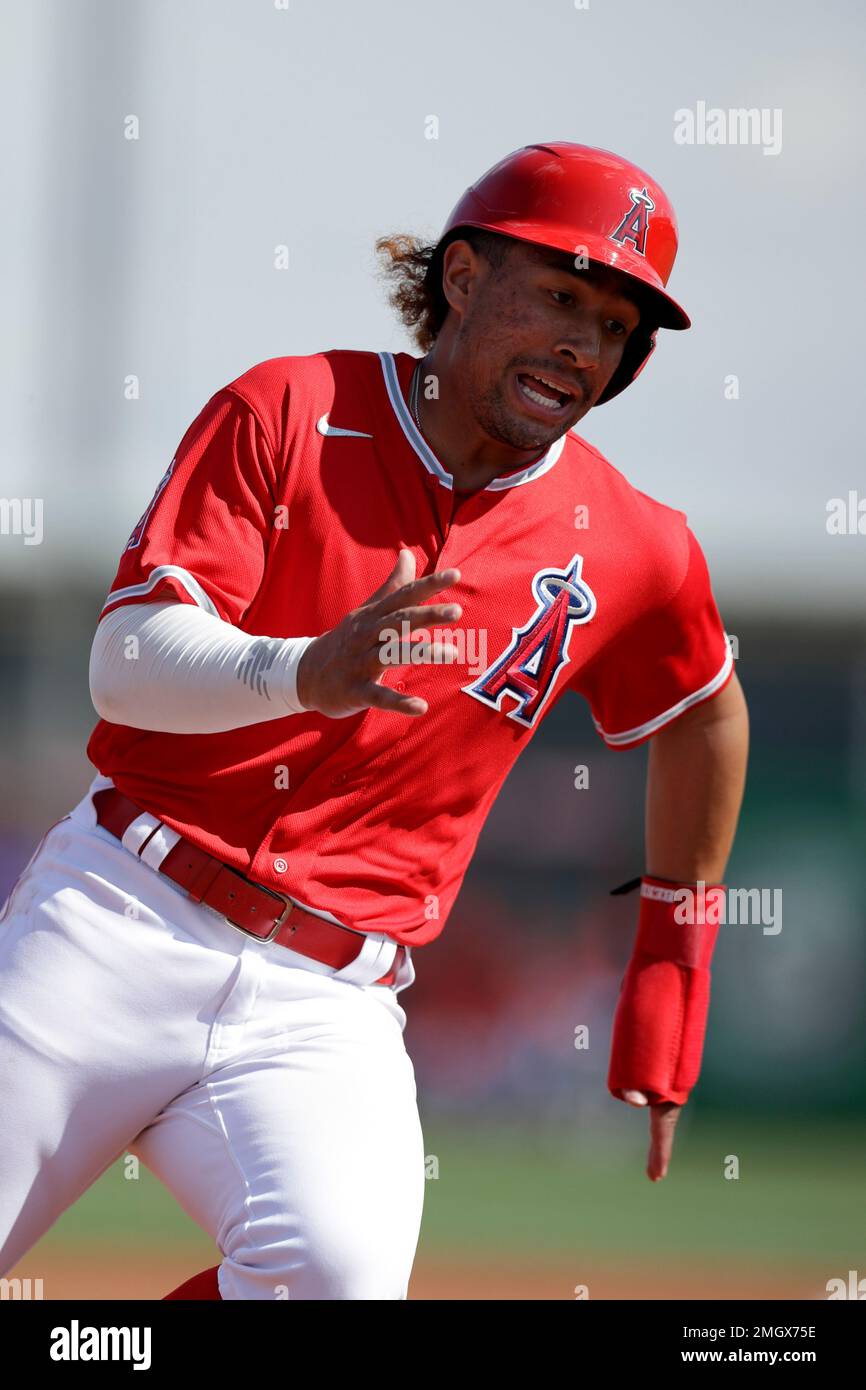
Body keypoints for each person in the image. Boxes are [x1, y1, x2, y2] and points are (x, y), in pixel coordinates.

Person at [0, 142, 748, 1300]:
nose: (579, 343)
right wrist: (309, 669)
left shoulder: (636, 544)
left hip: (329, 998)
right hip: (117, 917)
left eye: (610, 325)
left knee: (336, 1282)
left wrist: (669, 961)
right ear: (459, 277)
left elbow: (702, 714)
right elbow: (125, 661)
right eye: (558, 294)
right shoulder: (292, 407)